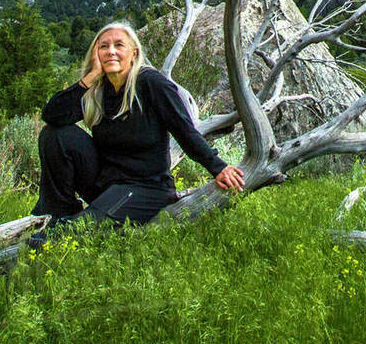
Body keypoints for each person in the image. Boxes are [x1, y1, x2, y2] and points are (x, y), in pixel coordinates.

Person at [30, 21, 244, 244]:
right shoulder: (98, 90)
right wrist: (90, 77)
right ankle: (61, 213)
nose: (110, 51)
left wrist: (218, 167)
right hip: (106, 184)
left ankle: (62, 232)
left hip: (147, 189)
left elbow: (185, 132)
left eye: (118, 45)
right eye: (103, 46)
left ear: (133, 53)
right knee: (55, 135)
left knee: (76, 230)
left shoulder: (151, 84)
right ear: (95, 53)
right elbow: (52, 116)